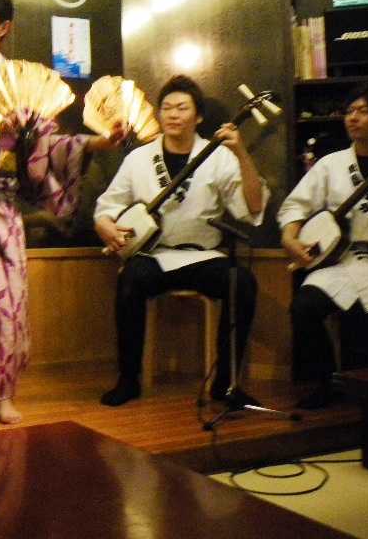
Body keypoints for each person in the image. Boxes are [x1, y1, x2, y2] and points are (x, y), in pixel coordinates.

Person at [0, 0, 124, 434]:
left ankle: (2, 395)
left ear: (4, 27)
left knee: (12, 297)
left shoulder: (20, 79)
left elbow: (48, 147)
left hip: (3, 198)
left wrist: (98, 141)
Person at [95, 74, 268, 407]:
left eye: (182, 108)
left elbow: (253, 207)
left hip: (203, 257)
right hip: (153, 255)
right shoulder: (139, 159)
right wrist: (104, 224)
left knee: (242, 283)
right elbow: (108, 204)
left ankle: (225, 382)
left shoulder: (218, 156)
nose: (173, 114)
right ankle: (128, 379)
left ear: (198, 116)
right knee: (130, 281)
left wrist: (243, 154)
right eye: (167, 108)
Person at [279, 82, 368, 410]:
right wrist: (290, 237)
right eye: (349, 111)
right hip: (341, 262)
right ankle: (330, 382)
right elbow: (294, 206)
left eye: (363, 110)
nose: (352, 118)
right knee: (304, 307)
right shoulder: (331, 165)